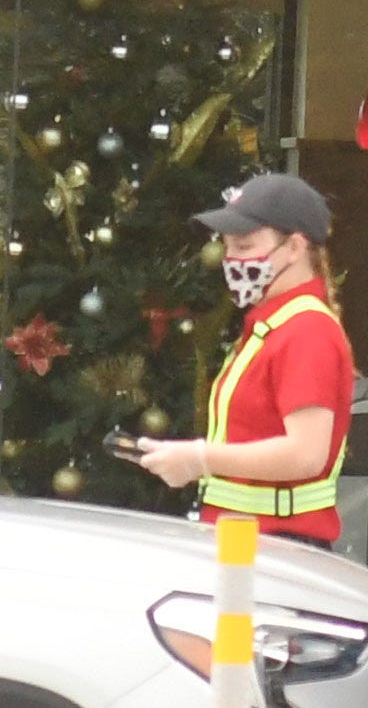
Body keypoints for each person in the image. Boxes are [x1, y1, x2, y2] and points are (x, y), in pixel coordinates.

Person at [124, 171, 353, 547]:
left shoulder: (306, 331)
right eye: (228, 246)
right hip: (254, 543)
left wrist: (200, 459)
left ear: (295, 248)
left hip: (279, 549)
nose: (231, 259)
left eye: (244, 247)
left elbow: (306, 455)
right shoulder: (275, 325)